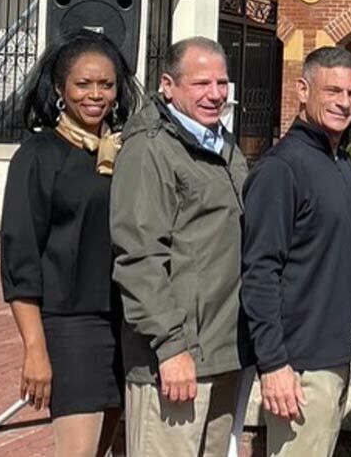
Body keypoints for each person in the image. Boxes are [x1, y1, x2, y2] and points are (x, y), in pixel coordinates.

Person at [0, 30, 139, 457]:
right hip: (71, 326)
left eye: (106, 84)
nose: (95, 95)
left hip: (127, 323)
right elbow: (20, 259)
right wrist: (35, 350)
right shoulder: (38, 156)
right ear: (61, 88)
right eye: (83, 84)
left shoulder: (124, 153)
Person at [111, 36, 250, 457]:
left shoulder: (221, 144)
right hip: (173, 360)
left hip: (221, 354)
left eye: (222, 83)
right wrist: (171, 347)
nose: (215, 94)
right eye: (201, 83)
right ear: (168, 86)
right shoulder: (151, 149)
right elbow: (139, 257)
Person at [240, 46, 351, 455]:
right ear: (302, 90)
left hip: (333, 357)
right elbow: (259, 271)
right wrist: (274, 364)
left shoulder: (342, 164)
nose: (344, 103)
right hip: (299, 366)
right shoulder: (281, 169)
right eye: (332, 91)